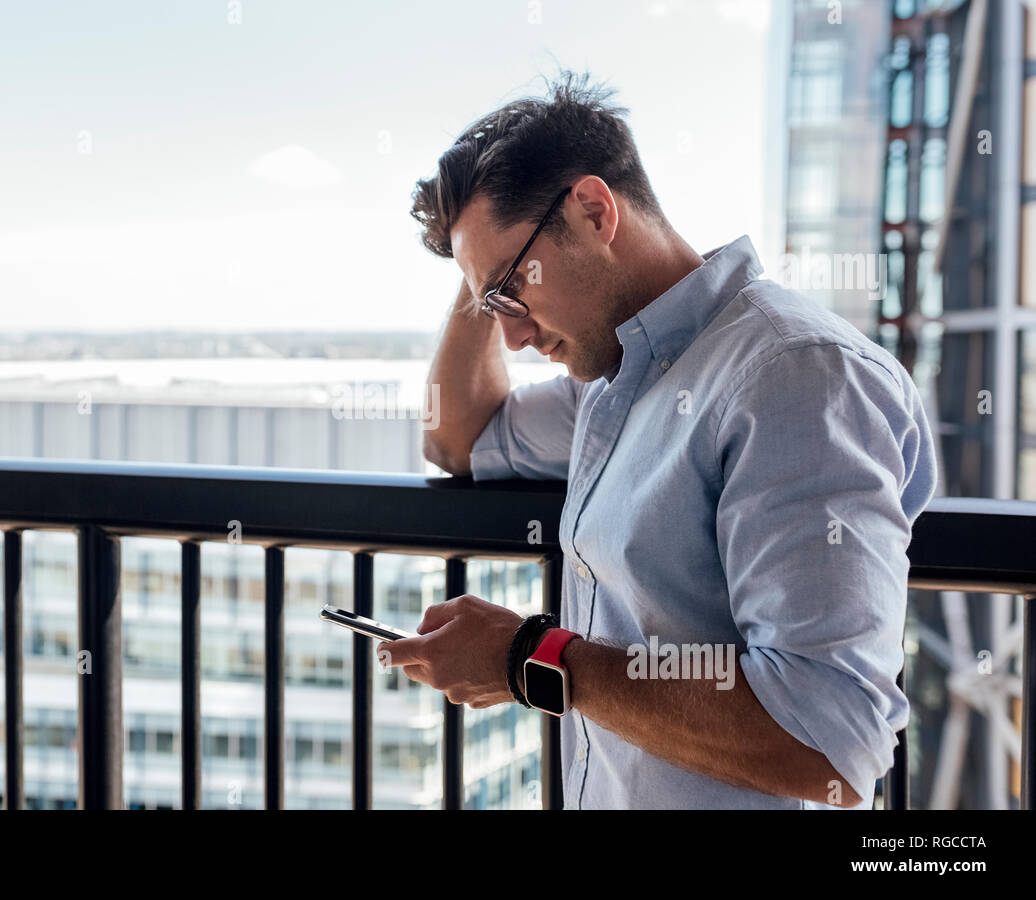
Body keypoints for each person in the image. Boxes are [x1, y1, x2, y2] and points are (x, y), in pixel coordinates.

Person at [376, 71, 937, 809]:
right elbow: (458, 437)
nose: (508, 335)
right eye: (492, 306)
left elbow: (829, 741)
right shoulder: (611, 384)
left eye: (515, 291)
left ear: (592, 210)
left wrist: (532, 657)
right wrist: (483, 261)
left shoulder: (794, 377)